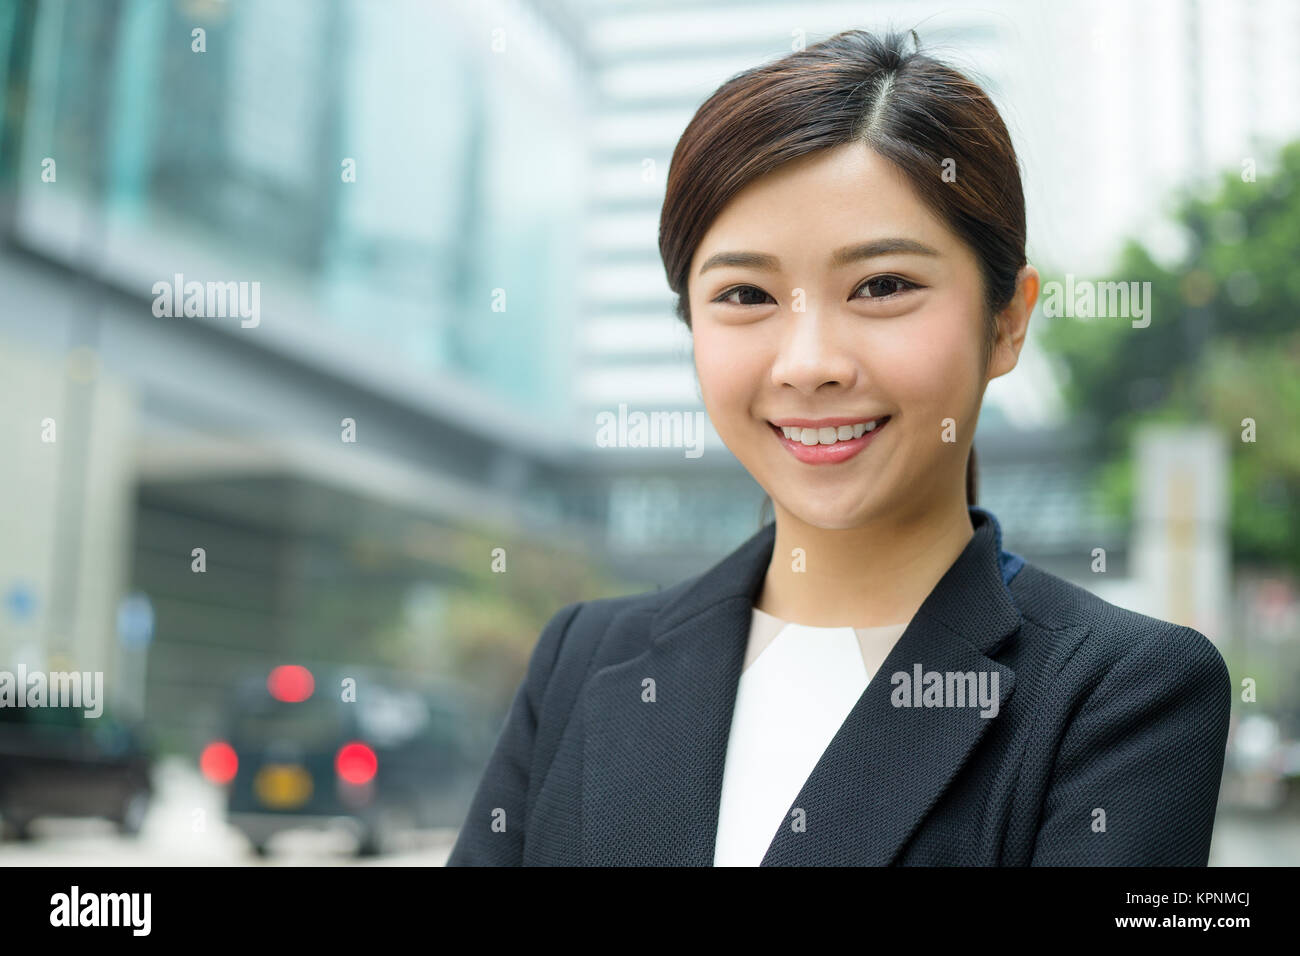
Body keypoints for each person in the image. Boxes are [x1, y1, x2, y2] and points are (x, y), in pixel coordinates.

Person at [446, 28, 1231, 866]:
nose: (810, 364)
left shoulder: (1119, 696)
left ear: (1006, 320)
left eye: (883, 286)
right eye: (745, 294)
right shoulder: (585, 660)